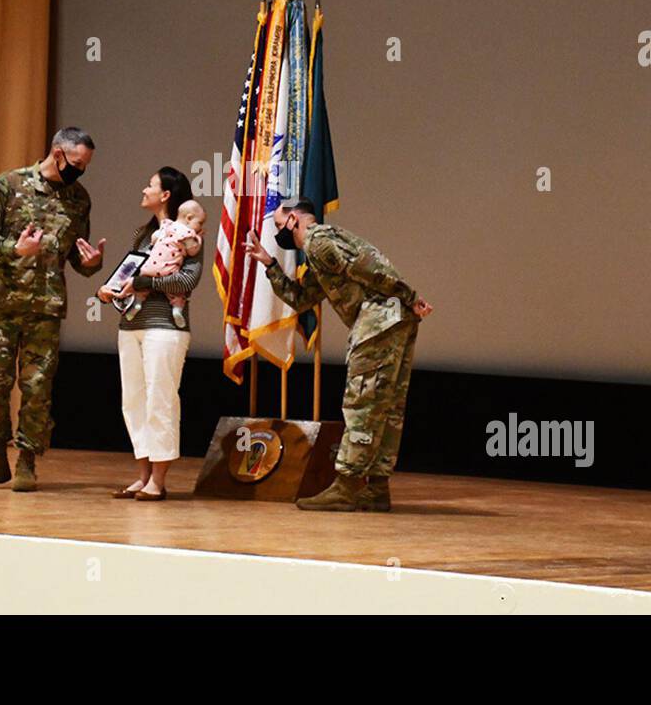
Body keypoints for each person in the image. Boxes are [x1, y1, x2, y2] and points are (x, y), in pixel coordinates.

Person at [245, 198, 432, 512]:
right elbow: (301, 297)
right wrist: (270, 265)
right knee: (386, 406)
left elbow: (371, 267)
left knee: (362, 401)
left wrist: (410, 296)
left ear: (294, 219)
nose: (279, 232)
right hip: (394, 319)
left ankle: (346, 486)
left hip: (379, 321)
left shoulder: (319, 242)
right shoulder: (320, 252)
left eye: (279, 224)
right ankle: (376, 487)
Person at [0, 127, 106, 492]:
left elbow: (76, 256)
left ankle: (27, 461)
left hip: (45, 306)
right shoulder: (9, 184)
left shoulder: (79, 199)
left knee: (37, 387)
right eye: (76, 163)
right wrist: (16, 250)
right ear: (57, 153)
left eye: (85, 166)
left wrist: (92, 262)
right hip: (2, 303)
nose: (80, 171)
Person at [98, 168, 201, 501]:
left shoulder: (188, 232)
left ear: (166, 195)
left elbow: (186, 282)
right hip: (131, 325)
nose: (144, 189)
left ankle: (159, 479)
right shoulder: (143, 234)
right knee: (134, 400)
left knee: (161, 398)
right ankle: (142, 476)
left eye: (151, 185)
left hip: (166, 328)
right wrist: (112, 289)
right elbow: (132, 275)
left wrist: (145, 283)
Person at [119, 198, 206, 329]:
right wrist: (197, 239)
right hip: (168, 270)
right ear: (189, 218)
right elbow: (193, 250)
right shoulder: (188, 234)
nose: (200, 226)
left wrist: (142, 282)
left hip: (148, 271)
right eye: (200, 223)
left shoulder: (166, 226)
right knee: (177, 295)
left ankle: (137, 303)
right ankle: (177, 308)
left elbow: (187, 281)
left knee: (141, 289)